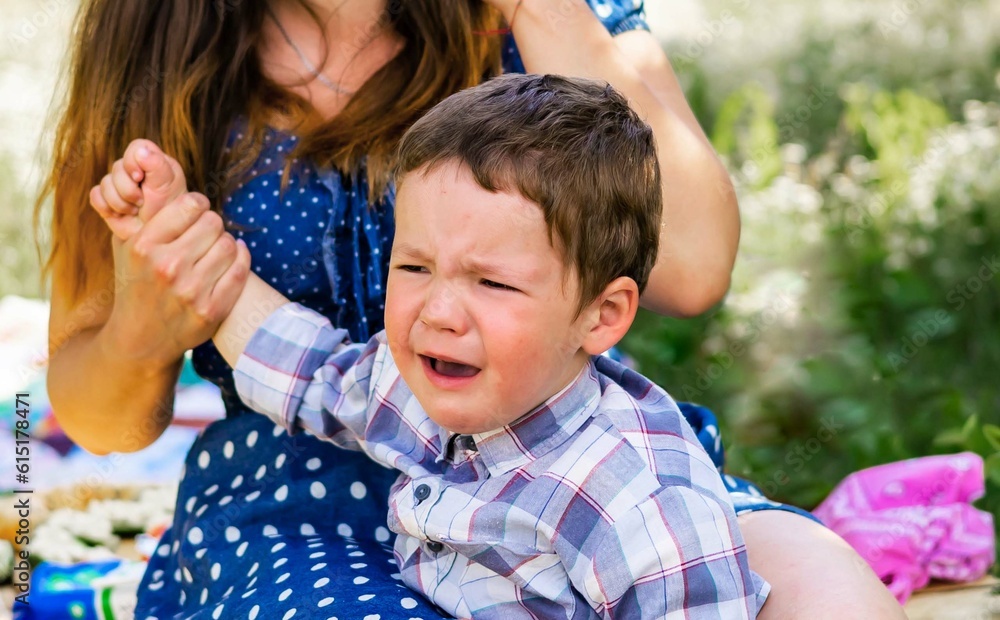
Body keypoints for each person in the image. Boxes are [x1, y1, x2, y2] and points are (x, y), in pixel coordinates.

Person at [40, 0, 903, 617]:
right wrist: (144, 326)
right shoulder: (151, 36)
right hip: (292, 495)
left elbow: (694, 269)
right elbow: (241, 373)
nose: (442, 309)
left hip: (559, 456)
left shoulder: (631, 487)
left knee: (839, 601)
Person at [96, 72, 771, 618]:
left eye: (493, 282)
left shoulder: (637, 509)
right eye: (414, 268)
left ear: (602, 316)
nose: (439, 312)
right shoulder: (422, 389)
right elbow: (313, 370)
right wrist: (175, 238)